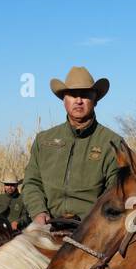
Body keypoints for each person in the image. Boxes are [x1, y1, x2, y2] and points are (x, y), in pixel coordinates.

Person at [22, 66, 124, 224]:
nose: (78, 100)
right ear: (64, 99)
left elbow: (117, 191)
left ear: (95, 100)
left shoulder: (113, 143)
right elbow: (31, 182)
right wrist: (38, 212)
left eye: (85, 95)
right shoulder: (43, 140)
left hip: (90, 229)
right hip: (46, 225)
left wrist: (94, 223)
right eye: (72, 95)